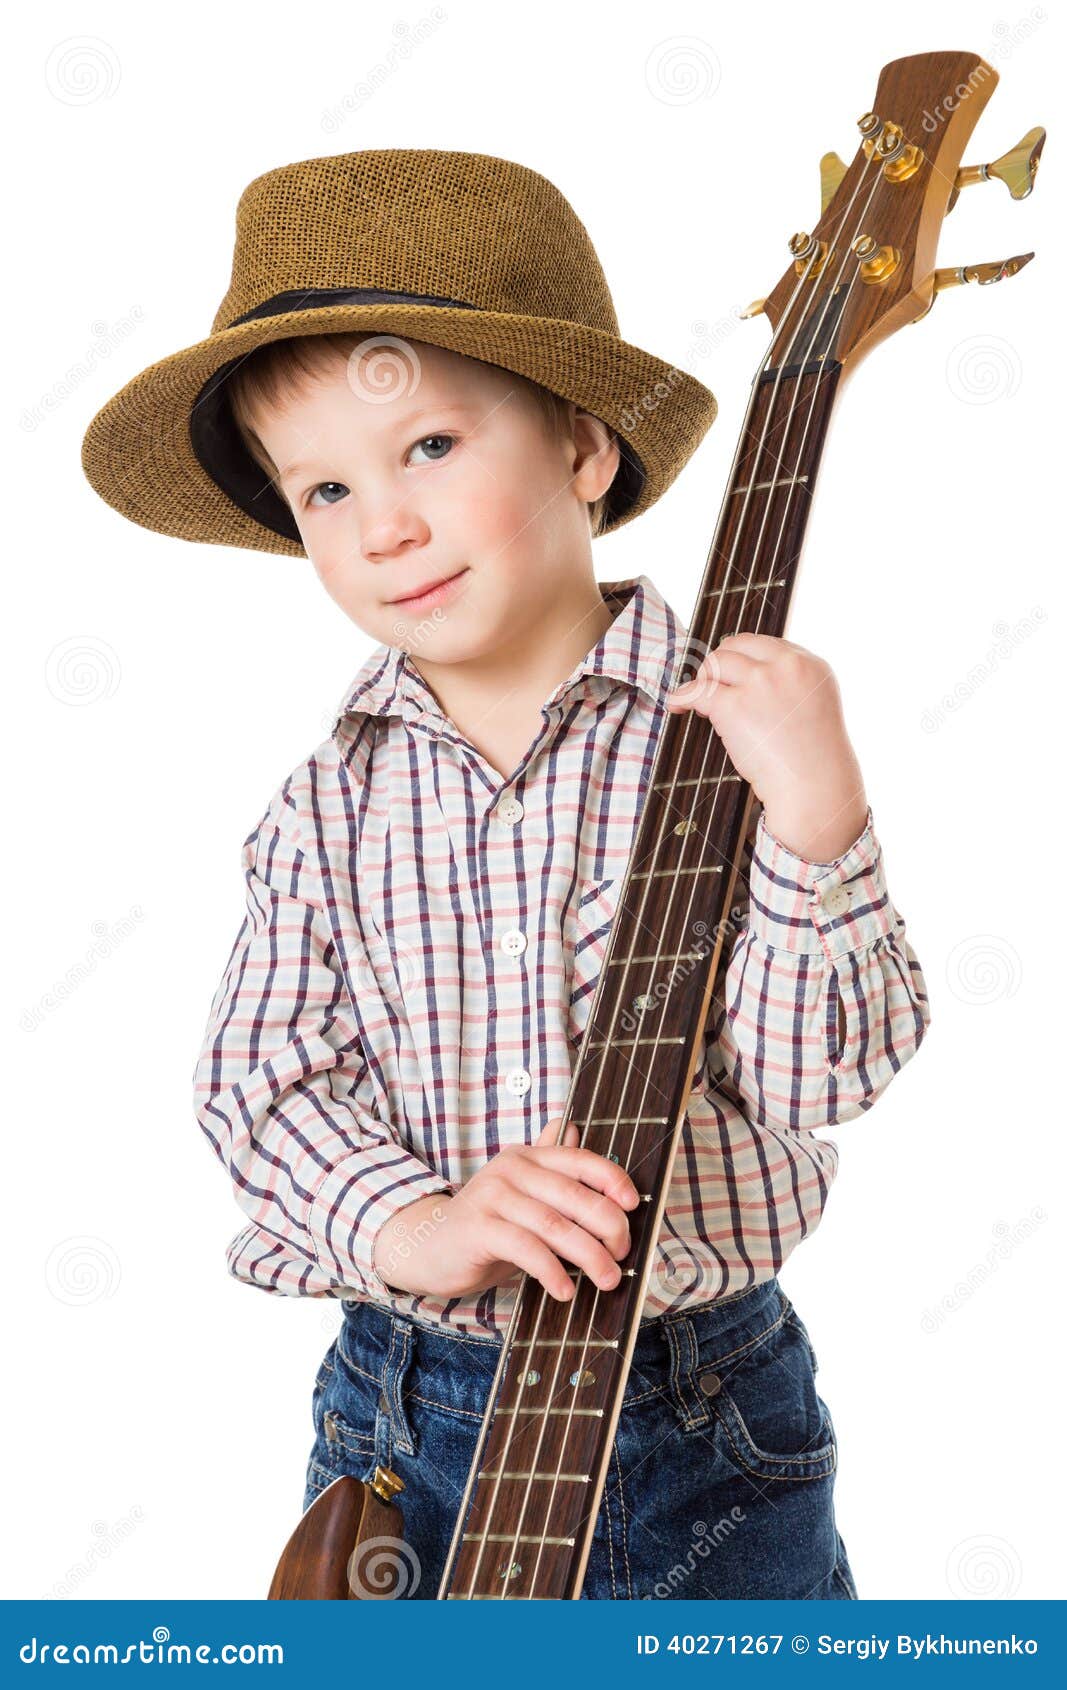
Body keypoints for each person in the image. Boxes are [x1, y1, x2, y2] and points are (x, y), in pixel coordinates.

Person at [81, 148, 930, 1601]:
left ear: (586, 448)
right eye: (326, 488)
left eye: (430, 450)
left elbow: (822, 1079)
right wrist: (427, 1224)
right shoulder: (329, 801)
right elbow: (261, 1083)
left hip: (695, 1418)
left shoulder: (728, 740)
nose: (383, 527)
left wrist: (815, 819)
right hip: (412, 1409)